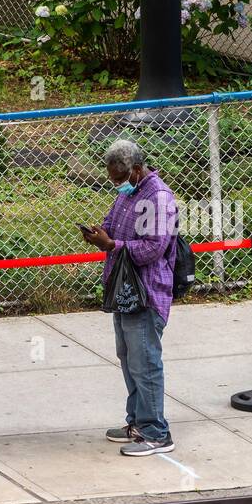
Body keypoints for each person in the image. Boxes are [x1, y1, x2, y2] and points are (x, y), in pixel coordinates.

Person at [80, 140, 179, 457]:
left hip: (146, 292)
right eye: (112, 178)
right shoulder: (129, 194)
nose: (116, 184)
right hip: (124, 290)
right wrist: (99, 234)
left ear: (137, 169)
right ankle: (137, 422)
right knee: (128, 358)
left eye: (119, 177)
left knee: (145, 362)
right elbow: (112, 224)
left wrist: (113, 246)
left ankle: (156, 433)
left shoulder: (158, 198)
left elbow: (153, 248)